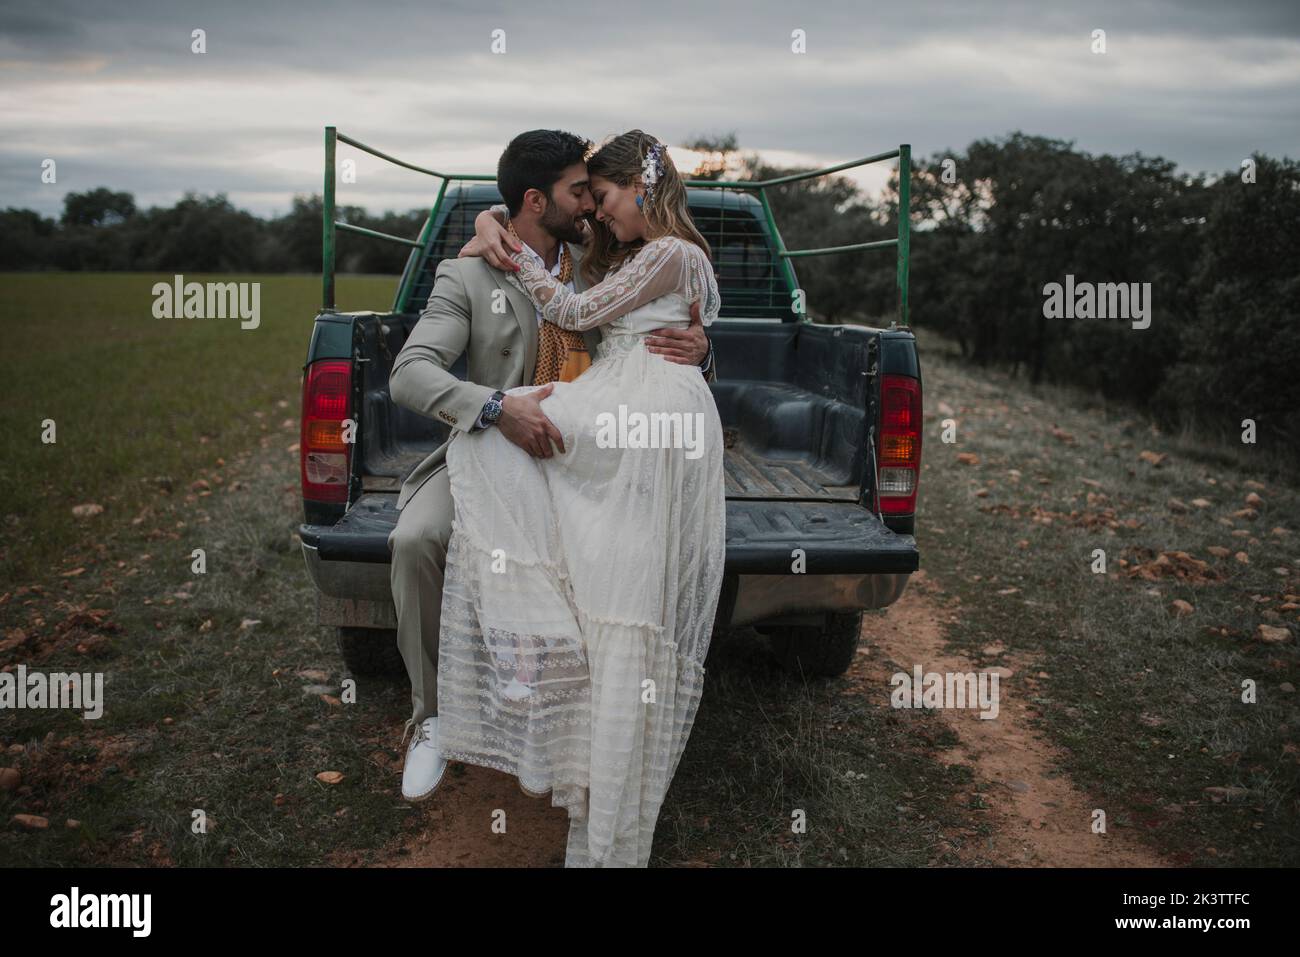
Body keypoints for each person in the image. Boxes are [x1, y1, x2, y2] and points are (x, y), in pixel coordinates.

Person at [386, 129, 714, 810]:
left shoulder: (601, 263)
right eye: (577, 194)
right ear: (536, 201)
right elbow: (409, 374)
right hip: (499, 443)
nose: (590, 207)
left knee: (629, 558)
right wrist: (496, 408)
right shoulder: (470, 271)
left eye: (596, 194)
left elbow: (654, 316)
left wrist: (703, 346)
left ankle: (587, 718)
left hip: (592, 455)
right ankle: (433, 718)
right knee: (416, 539)